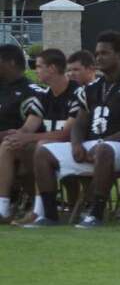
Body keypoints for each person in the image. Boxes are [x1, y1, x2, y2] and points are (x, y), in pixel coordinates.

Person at [28, 32, 120, 228]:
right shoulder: (92, 88)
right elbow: (80, 123)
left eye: (105, 53)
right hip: (96, 145)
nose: (98, 58)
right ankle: (49, 214)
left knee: (105, 150)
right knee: (42, 151)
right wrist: (76, 143)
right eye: (97, 53)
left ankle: (95, 213)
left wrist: (101, 143)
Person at [0, 48, 81, 224]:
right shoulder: (44, 95)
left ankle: (39, 210)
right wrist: (18, 135)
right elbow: (29, 127)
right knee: (9, 144)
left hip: (74, 148)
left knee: (41, 146)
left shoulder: (78, 93)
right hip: (48, 148)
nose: (35, 70)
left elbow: (66, 134)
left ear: (51, 68)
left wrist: (28, 138)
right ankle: (2, 208)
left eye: (39, 66)